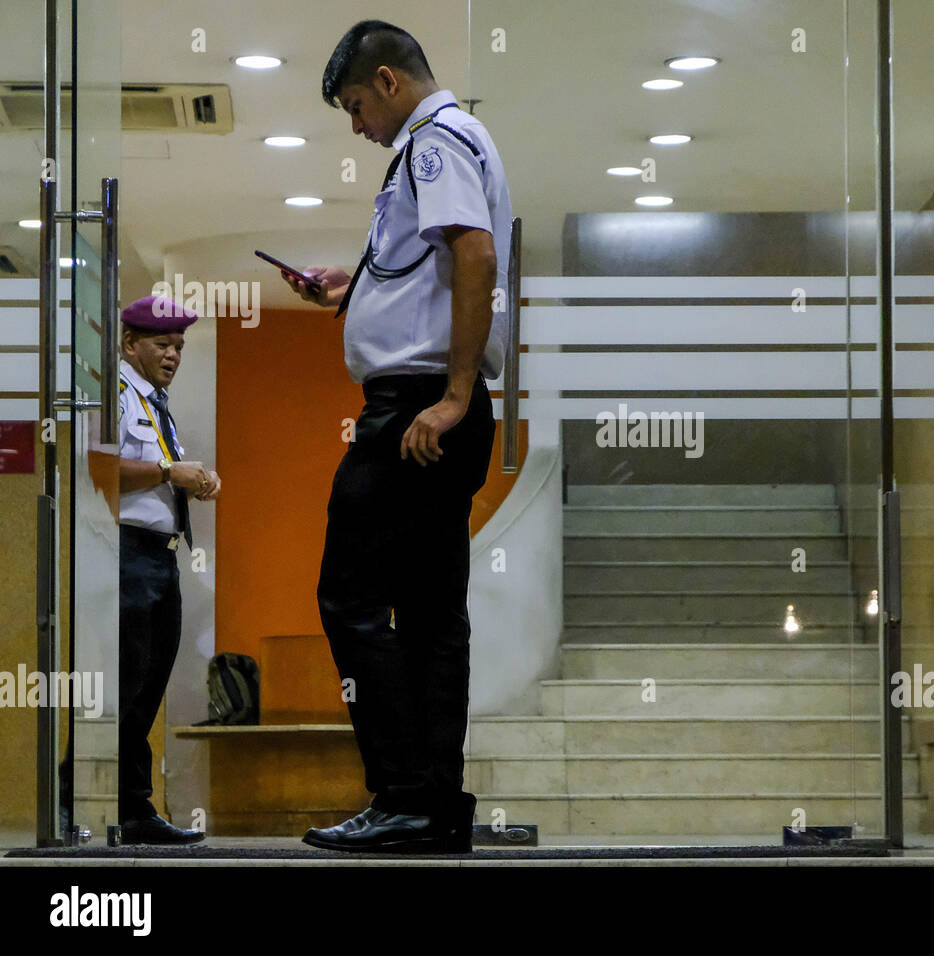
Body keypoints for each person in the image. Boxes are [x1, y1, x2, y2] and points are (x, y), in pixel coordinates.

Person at [284, 20, 510, 854]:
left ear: (388, 81)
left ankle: (402, 791)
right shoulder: (454, 139)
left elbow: (475, 252)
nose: (355, 127)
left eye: (354, 107)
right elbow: (435, 268)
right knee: (428, 616)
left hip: (417, 410)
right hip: (432, 402)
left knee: (347, 596)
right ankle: (434, 805)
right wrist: (354, 288)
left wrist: (452, 395)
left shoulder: (433, 141)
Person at [115, 295, 219, 844]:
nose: (174, 355)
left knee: (147, 686)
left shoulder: (156, 402)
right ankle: (123, 809)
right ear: (130, 343)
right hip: (125, 553)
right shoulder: (112, 394)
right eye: (162, 344)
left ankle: (134, 811)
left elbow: (160, 474)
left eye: (179, 346)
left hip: (161, 555)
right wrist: (166, 470)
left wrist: (194, 479)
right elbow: (95, 468)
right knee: (127, 687)